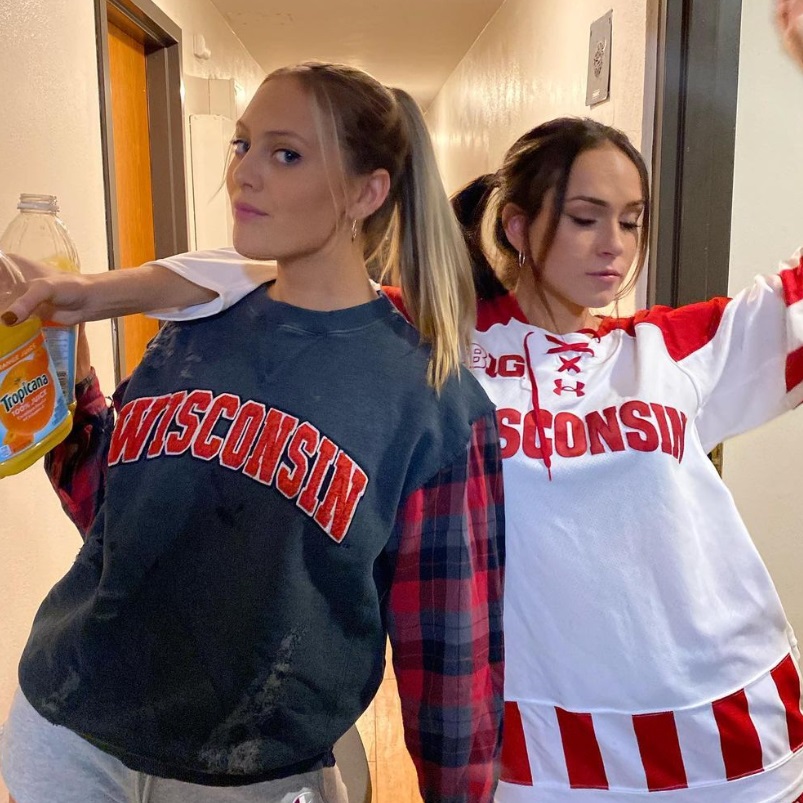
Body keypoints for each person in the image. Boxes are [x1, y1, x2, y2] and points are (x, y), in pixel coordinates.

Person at [6, 2, 803, 801]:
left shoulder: (634, 356)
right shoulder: (394, 336)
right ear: (518, 227)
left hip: (726, 733)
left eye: (630, 222)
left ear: (367, 190)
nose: (614, 247)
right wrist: (75, 307)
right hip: (533, 762)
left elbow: (444, 635)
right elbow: (243, 292)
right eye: (585, 217)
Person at [0, 62, 506, 803]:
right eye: (241, 146)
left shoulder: (433, 403)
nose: (243, 174)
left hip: (253, 772)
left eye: (285, 153)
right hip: (68, 728)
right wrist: (51, 373)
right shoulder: (194, 323)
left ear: (367, 192)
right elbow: (111, 514)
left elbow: (448, 662)